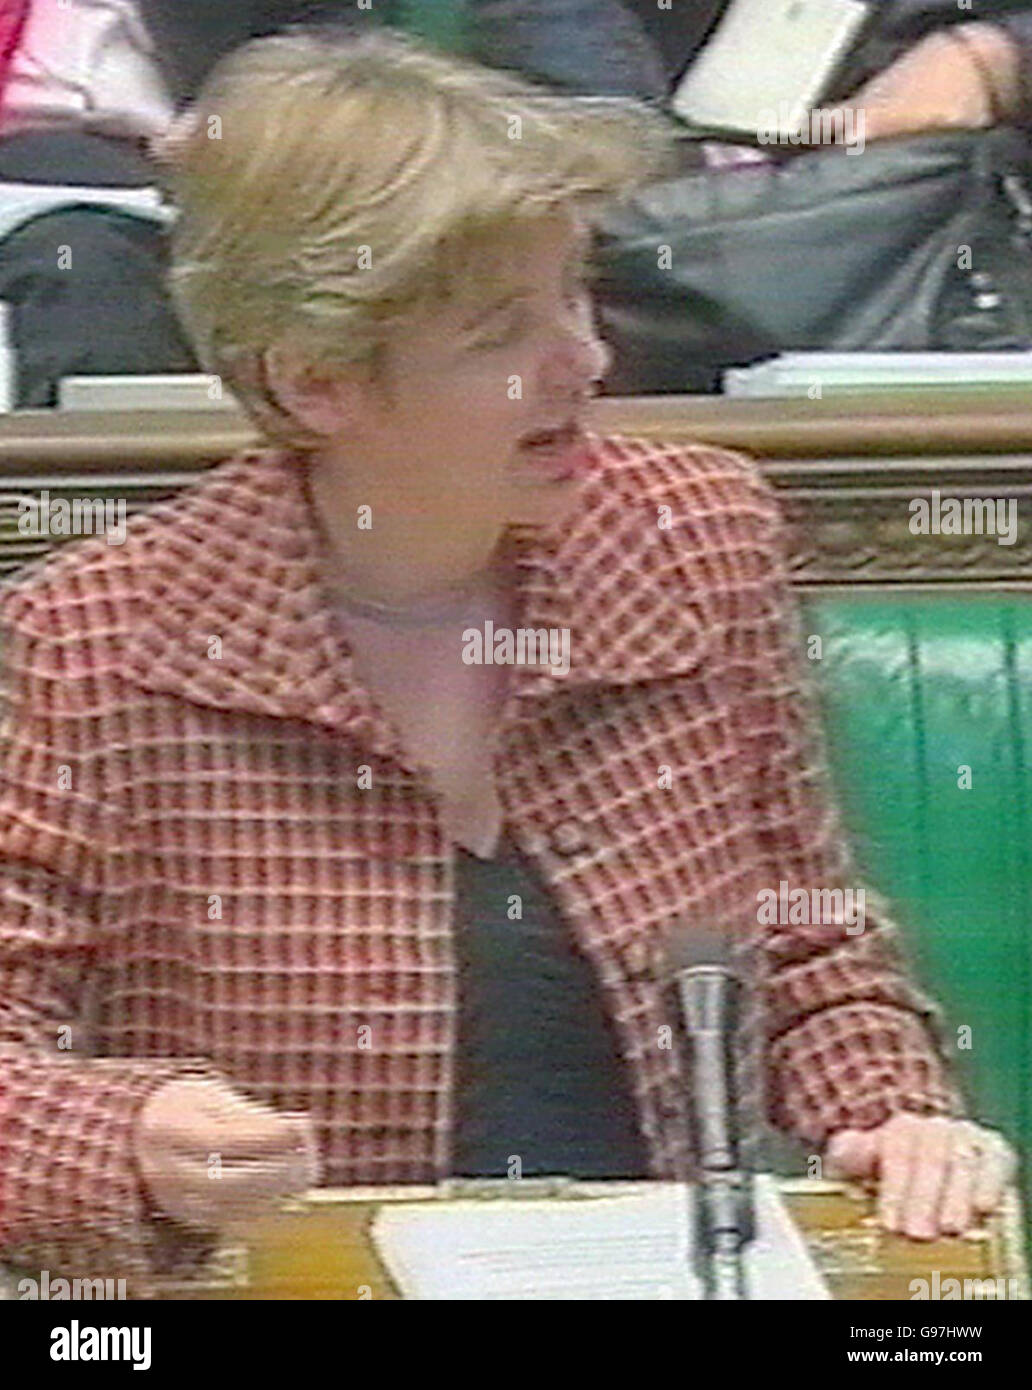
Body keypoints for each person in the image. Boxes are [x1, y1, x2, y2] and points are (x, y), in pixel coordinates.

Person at [0, 29, 1015, 1295]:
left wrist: (891, 1111)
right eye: (502, 332)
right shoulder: (101, 638)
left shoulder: (695, 540)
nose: (586, 359)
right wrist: (127, 1134)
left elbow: (808, 949)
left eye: (577, 296)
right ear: (316, 381)